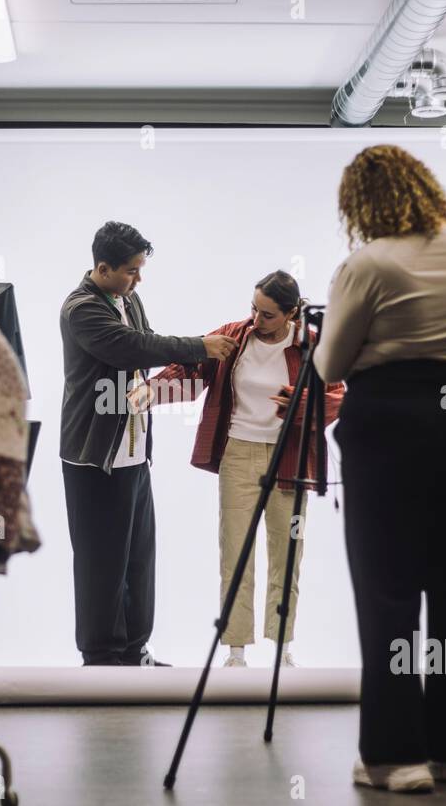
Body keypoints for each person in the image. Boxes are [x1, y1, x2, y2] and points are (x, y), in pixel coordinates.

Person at [314, 144, 446, 793]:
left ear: (360, 204)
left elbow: (331, 365)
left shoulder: (366, 263)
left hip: (391, 425)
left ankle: (395, 757)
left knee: (390, 591)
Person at [60, 221, 237, 666]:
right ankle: (102, 657)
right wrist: (199, 347)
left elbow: (142, 351)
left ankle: (135, 650)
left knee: (139, 560)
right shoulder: (81, 308)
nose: (138, 280)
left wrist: (166, 380)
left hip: (134, 454)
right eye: (131, 271)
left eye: (140, 270)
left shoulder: (128, 298)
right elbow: (132, 348)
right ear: (102, 267)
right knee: (102, 564)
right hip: (94, 459)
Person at [145, 272, 343, 668]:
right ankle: (235, 650)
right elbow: (191, 368)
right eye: (253, 308)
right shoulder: (235, 336)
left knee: (287, 553)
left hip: (289, 455)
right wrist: (151, 390)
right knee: (234, 552)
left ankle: (283, 648)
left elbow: (336, 395)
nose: (256, 318)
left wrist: (298, 404)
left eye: (268, 314)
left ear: (291, 313)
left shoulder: (311, 343)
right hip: (238, 453)